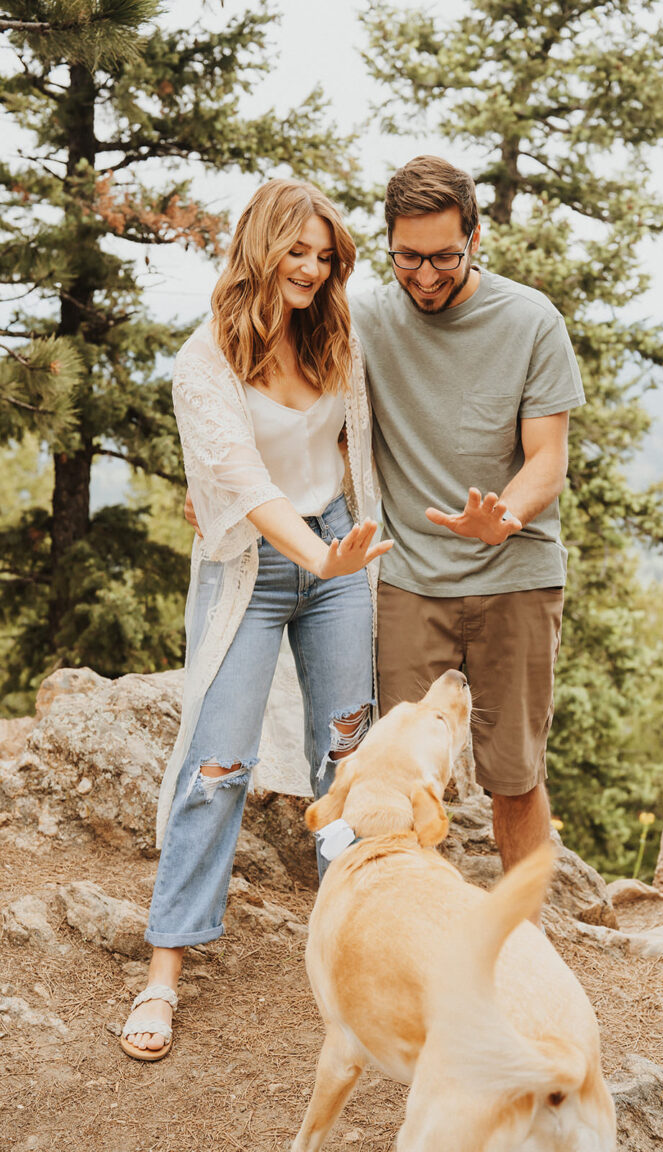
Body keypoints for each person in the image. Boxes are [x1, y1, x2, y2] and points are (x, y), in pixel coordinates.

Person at [120, 179, 390, 1061]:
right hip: (252, 564)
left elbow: (361, 446)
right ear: (261, 248)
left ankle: (360, 958)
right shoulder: (205, 361)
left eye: (324, 256)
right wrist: (316, 557)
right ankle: (164, 972)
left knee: (347, 761)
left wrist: (344, 548)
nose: (312, 269)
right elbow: (244, 482)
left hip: (340, 558)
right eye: (297, 251)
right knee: (216, 763)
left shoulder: (338, 338)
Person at [350, 155, 584, 886]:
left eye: (444, 257)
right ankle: (411, 934)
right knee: (400, 774)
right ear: (389, 243)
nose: (424, 275)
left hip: (516, 574)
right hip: (412, 581)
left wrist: (504, 516)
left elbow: (548, 458)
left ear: (476, 239)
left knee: (513, 774)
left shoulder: (530, 321)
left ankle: (524, 943)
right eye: (408, 257)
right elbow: (275, 388)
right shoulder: (363, 320)